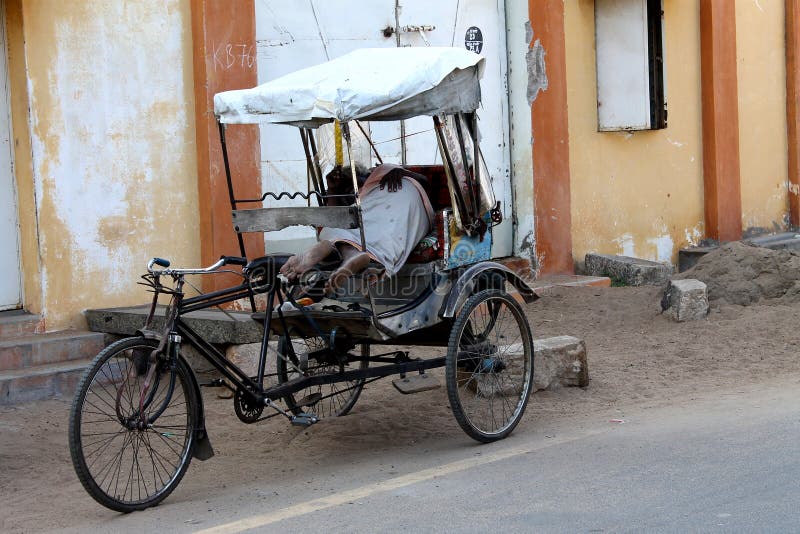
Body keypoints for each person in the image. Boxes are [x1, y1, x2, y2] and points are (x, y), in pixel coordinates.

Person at [280, 164, 434, 293]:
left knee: (337, 229)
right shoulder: (364, 194)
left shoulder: (384, 172)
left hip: (403, 198)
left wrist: (400, 171)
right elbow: (335, 214)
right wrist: (333, 190)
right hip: (396, 209)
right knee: (343, 228)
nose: (351, 194)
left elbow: (426, 181)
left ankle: (348, 251)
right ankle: (351, 254)